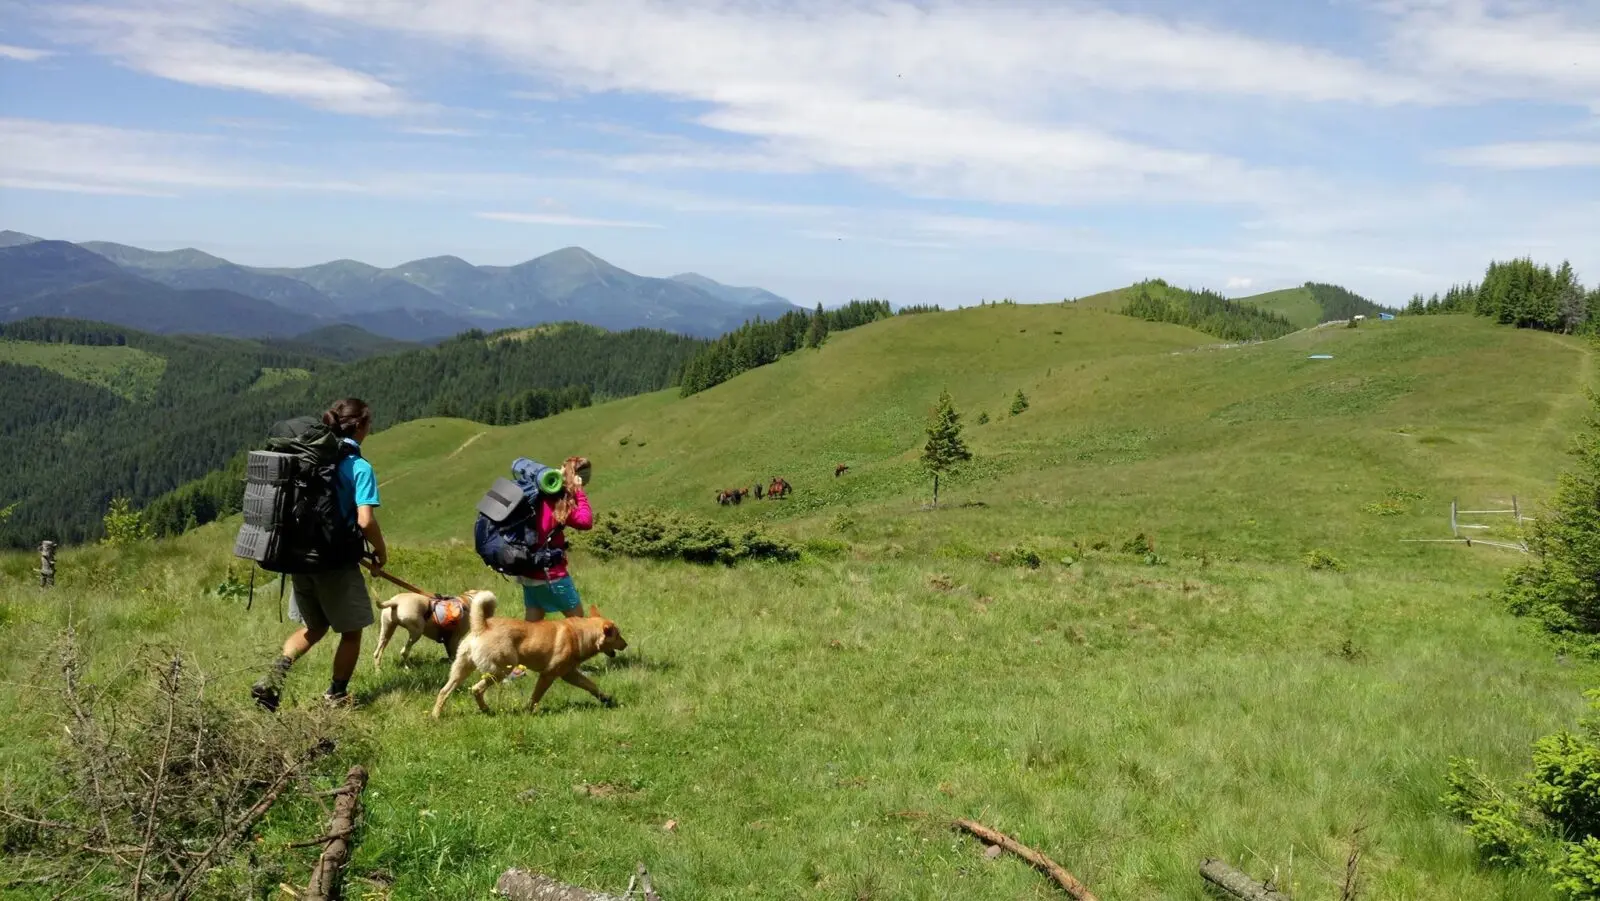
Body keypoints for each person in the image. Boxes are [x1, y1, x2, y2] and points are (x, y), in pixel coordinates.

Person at [251, 398, 387, 711]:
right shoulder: (358, 466)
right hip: (333, 562)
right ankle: (336, 697)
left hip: (298, 556)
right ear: (361, 427)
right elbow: (365, 520)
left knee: (314, 627)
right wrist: (381, 552)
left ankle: (270, 679)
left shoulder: (310, 458)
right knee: (352, 632)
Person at [519, 456, 593, 621]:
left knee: (533, 626)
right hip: (550, 573)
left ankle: (527, 648)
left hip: (528, 569)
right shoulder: (558, 500)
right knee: (579, 624)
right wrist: (580, 492)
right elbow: (585, 521)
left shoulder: (537, 493)